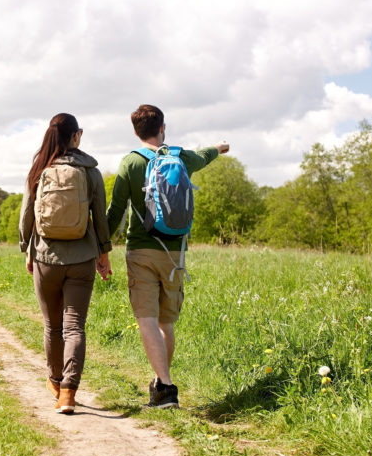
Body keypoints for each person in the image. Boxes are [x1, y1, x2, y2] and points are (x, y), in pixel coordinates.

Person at [106, 104, 229, 409]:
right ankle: (162, 382)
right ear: (163, 127)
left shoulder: (130, 163)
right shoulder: (181, 157)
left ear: (136, 131)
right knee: (166, 321)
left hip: (141, 251)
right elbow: (204, 155)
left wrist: (101, 248)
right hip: (175, 253)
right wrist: (219, 147)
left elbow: (115, 211)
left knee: (146, 318)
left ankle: (166, 388)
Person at [20, 113, 112, 414]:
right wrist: (103, 253)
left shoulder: (38, 169)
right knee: (75, 327)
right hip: (82, 257)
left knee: (52, 326)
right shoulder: (89, 171)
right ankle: (69, 394)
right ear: (76, 136)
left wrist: (27, 250)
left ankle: (56, 380)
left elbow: (26, 217)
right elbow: (99, 216)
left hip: (46, 256)